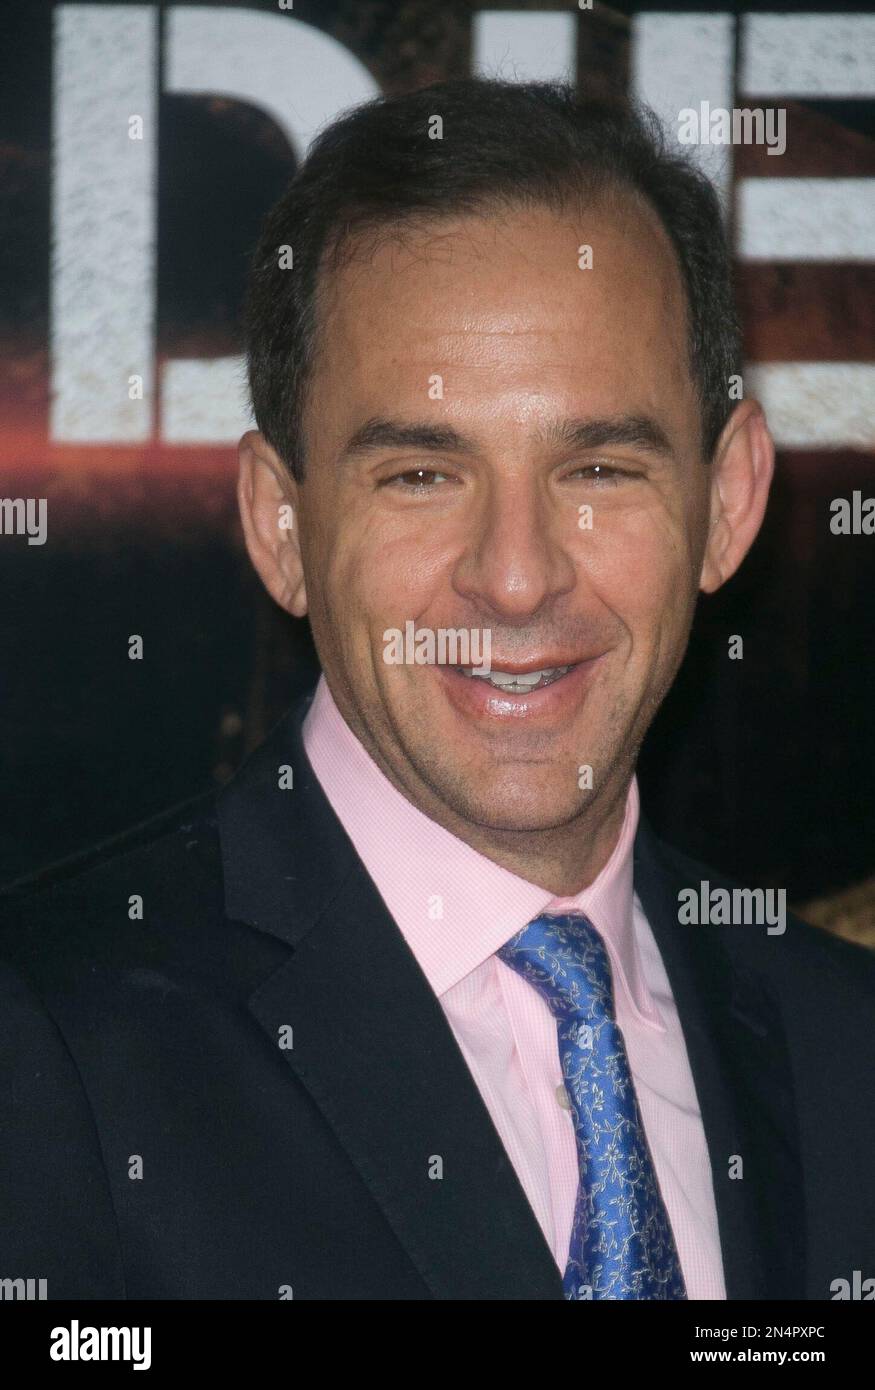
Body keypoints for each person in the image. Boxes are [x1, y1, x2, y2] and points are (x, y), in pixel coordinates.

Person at [1, 79, 872, 1301]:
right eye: (419, 472)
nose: (516, 578)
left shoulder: (850, 1049)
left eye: (599, 466)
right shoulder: (44, 1047)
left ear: (724, 504)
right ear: (283, 524)